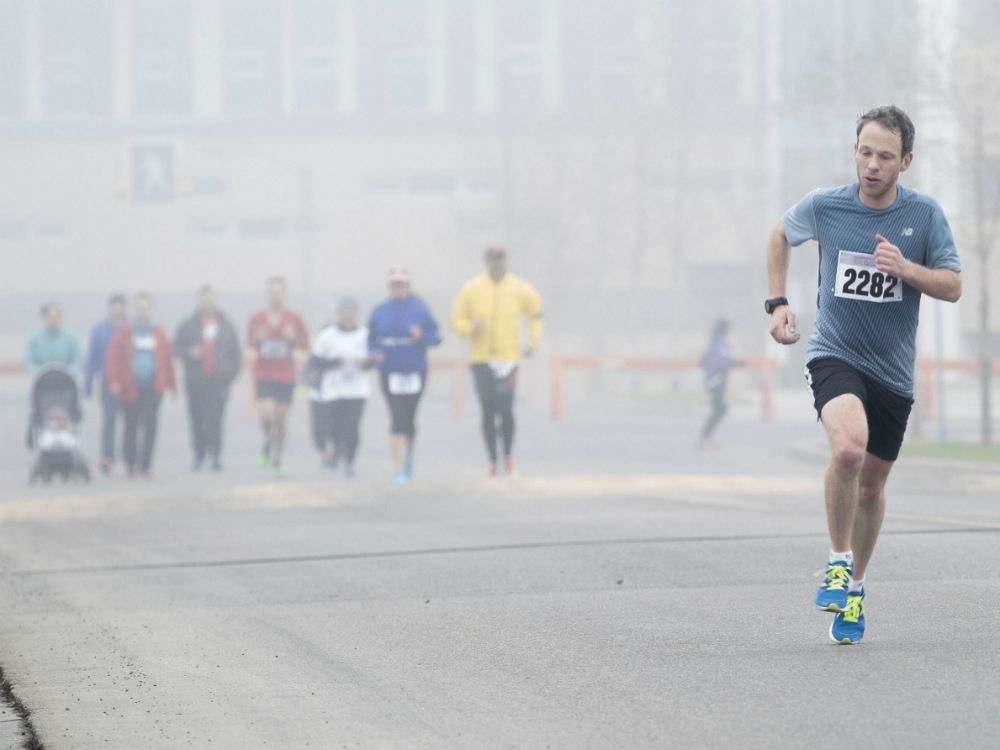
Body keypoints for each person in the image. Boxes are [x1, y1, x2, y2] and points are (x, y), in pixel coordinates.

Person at [766, 105, 961, 644]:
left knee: (872, 488)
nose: (872, 165)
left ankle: (854, 590)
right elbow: (780, 234)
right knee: (848, 451)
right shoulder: (827, 206)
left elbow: (952, 285)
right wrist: (778, 302)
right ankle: (835, 560)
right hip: (835, 352)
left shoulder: (924, 216)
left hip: (893, 373)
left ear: (907, 162)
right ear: (855, 152)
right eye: (865, 152)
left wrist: (907, 269)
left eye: (885, 156)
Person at [451, 246, 543, 476]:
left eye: (500, 259)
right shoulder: (472, 289)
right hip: (481, 358)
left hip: (508, 359)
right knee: (487, 409)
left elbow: (537, 316)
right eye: (492, 259)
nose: (496, 263)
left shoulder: (520, 288)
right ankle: (492, 459)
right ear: (486, 261)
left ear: (506, 261)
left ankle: (508, 455)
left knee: (506, 409)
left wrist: (531, 343)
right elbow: (457, 320)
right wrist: (471, 328)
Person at [368, 268, 441, 483]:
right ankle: (397, 464)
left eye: (402, 285)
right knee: (396, 415)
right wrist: (374, 353)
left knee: (409, 417)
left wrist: (421, 336)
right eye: (394, 285)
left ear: (408, 287)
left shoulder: (420, 309)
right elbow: (370, 337)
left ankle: (409, 457)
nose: (398, 289)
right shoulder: (380, 311)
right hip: (389, 369)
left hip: (414, 369)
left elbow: (435, 338)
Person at [105, 292, 176, 478]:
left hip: (153, 388)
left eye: (146, 307)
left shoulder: (158, 332)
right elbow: (113, 357)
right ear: (135, 309)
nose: (143, 311)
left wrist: (172, 385)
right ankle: (130, 462)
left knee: (151, 426)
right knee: (131, 426)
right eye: (139, 307)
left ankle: (146, 465)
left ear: (150, 309)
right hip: (130, 388)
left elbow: (167, 359)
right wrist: (114, 381)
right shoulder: (125, 332)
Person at [174, 285, 242, 472]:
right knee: (196, 419)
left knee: (216, 419)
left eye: (210, 298)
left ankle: (216, 455)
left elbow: (235, 353)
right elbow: (176, 348)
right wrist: (190, 352)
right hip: (195, 381)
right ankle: (199, 454)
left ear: (215, 300)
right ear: (198, 301)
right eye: (204, 298)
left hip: (218, 381)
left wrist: (230, 375)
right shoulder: (188, 325)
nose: (207, 302)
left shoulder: (226, 325)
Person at [247, 277, 309, 478]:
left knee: (281, 419)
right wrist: (258, 340)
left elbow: (305, 343)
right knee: (266, 414)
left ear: (284, 294)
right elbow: (250, 343)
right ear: (267, 294)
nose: (275, 296)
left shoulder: (294, 318)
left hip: (286, 374)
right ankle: (267, 441)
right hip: (264, 373)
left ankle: (277, 458)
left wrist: (293, 338)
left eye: (279, 292)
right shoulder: (257, 318)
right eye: (272, 292)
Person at [306, 298, 373, 477]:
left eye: (350, 312)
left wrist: (364, 363)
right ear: (338, 314)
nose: (347, 316)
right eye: (344, 312)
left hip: (357, 389)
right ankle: (336, 449)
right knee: (334, 426)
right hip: (334, 389)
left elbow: (374, 360)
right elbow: (314, 361)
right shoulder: (328, 335)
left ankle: (350, 460)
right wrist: (335, 362)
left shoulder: (365, 335)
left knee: (352, 426)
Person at [83, 293, 128, 474]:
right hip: (107, 382)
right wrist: (87, 385)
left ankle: (128, 455)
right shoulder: (100, 330)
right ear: (109, 308)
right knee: (109, 420)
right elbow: (91, 359)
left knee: (129, 421)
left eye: (120, 306)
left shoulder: (130, 328)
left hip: (128, 383)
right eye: (114, 306)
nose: (117, 309)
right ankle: (107, 456)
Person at [697, 319, 745, 449]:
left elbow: (702, 361)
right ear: (725, 330)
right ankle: (705, 437)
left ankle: (707, 436)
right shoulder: (721, 344)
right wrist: (740, 363)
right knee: (720, 410)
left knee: (718, 410)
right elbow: (724, 361)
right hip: (717, 382)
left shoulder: (713, 343)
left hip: (714, 382)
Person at [24, 302, 83, 376]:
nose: (55, 320)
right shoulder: (34, 339)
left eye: (58, 316)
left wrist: (69, 373)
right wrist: (39, 374)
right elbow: (29, 361)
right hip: (41, 382)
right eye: (51, 317)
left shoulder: (71, 338)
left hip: (66, 382)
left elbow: (77, 360)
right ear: (43, 317)